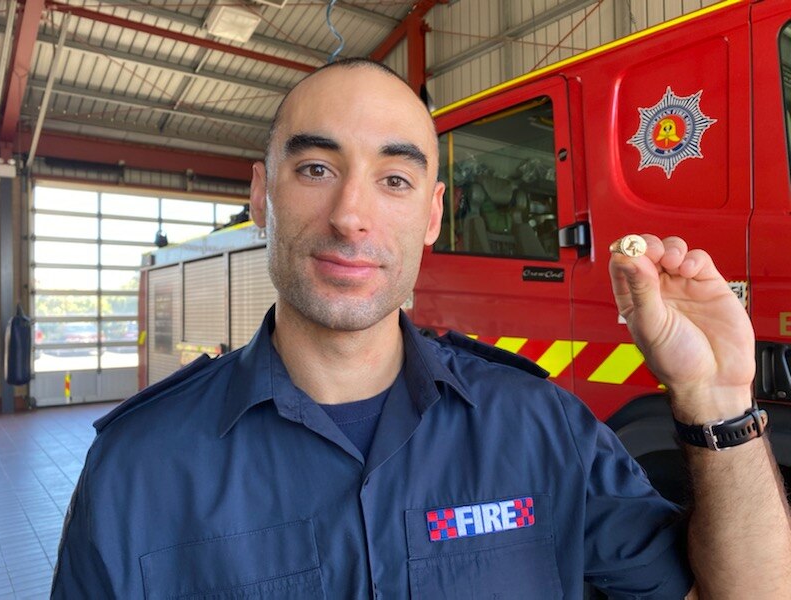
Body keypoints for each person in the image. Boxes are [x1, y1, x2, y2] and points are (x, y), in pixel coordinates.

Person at [51, 58, 791, 599]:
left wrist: (717, 401)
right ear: (261, 196)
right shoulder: (135, 471)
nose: (351, 215)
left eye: (395, 180)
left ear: (433, 214)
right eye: (314, 169)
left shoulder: (540, 430)